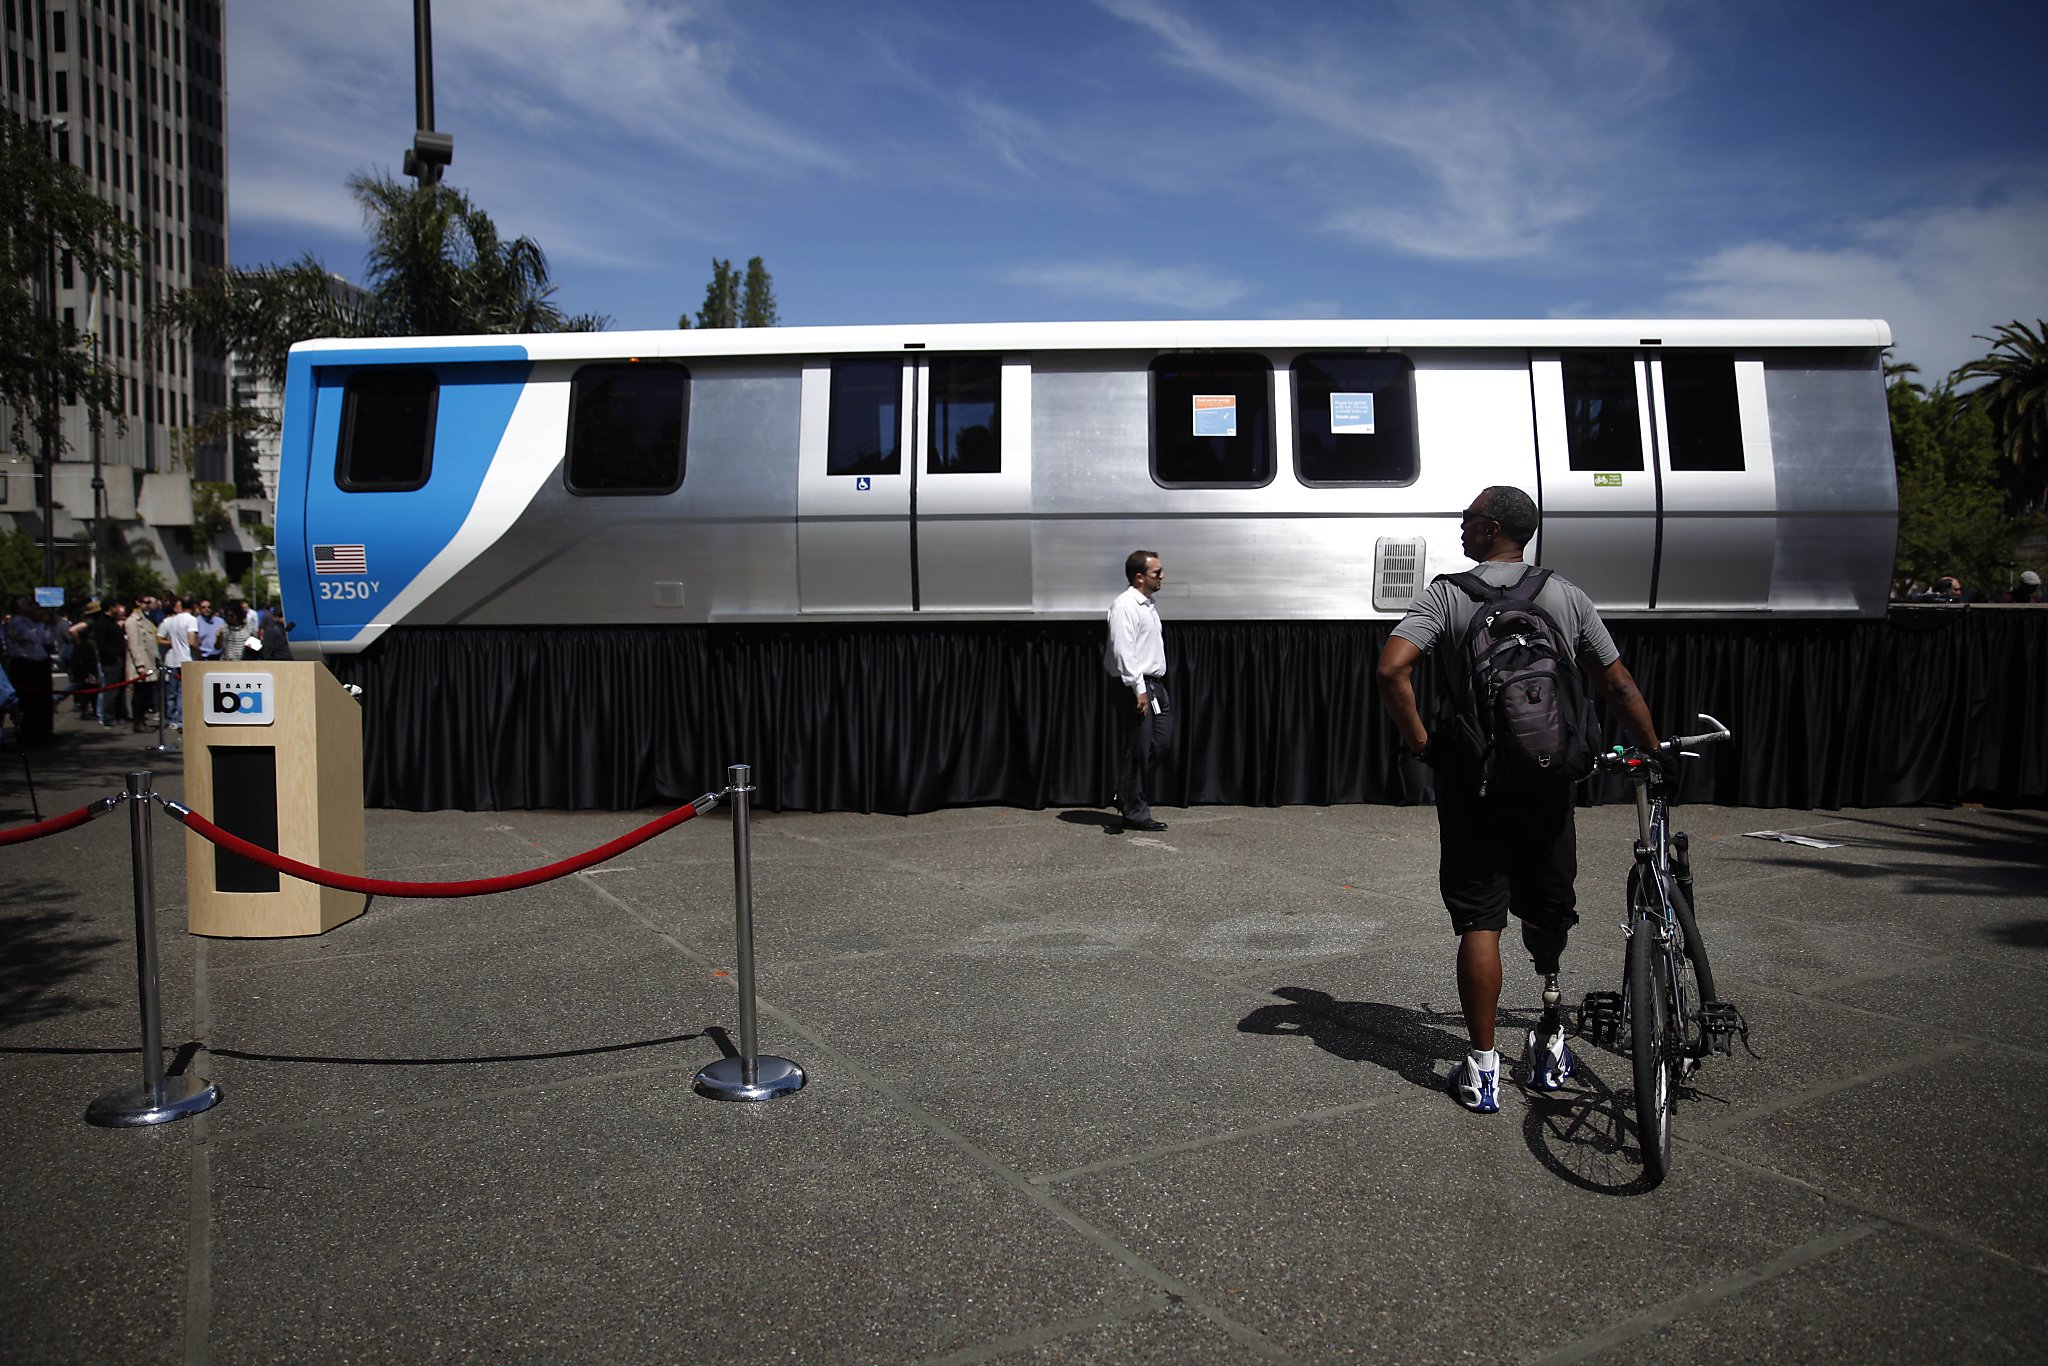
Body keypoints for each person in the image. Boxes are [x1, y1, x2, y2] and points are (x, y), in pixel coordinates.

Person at [1375, 486, 1661, 1115]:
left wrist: (1424, 742)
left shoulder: (1447, 595)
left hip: (1473, 781)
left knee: (1481, 918)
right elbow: (1615, 682)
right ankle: (1551, 1036)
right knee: (1549, 906)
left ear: (1492, 528)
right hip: (1548, 781)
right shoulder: (1566, 595)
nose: (1460, 530)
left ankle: (1481, 1070)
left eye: (1467, 520)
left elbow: (1393, 669)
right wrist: (1653, 747)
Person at [1106, 549, 1172, 832]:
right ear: (1139, 577)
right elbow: (1123, 650)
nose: (1162, 576)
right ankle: (1135, 812)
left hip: (1156, 686)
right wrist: (1138, 689)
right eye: (1157, 572)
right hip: (1137, 685)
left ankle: (1126, 792)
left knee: (1160, 743)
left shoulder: (1148, 604)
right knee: (1139, 748)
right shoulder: (1125, 605)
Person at [4, 597, 61, 744]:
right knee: (29, 702)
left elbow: (49, 640)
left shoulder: (35, 624)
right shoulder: (16, 623)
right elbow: (33, 637)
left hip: (40, 664)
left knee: (44, 701)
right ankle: (30, 734)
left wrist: (51, 625)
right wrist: (42, 622)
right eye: (28, 605)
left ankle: (45, 731)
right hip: (25, 664)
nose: (33, 608)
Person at [158, 596, 200, 729]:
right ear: (194, 606)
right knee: (185, 692)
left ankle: (174, 718)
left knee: (175, 692)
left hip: (176, 659)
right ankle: (183, 720)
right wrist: (200, 655)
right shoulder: (192, 620)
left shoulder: (174, 619)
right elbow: (192, 641)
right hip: (188, 658)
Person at [126, 596, 163, 731]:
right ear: (138, 603)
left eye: (149, 603)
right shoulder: (132, 621)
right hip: (141, 664)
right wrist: (139, 664)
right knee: (139, 694)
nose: (148, 605)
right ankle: (138, 722)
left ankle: (142, 720)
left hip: (150, 662)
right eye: (145, 602)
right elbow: (133, 644)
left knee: (146, 694)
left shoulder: (146, 620)